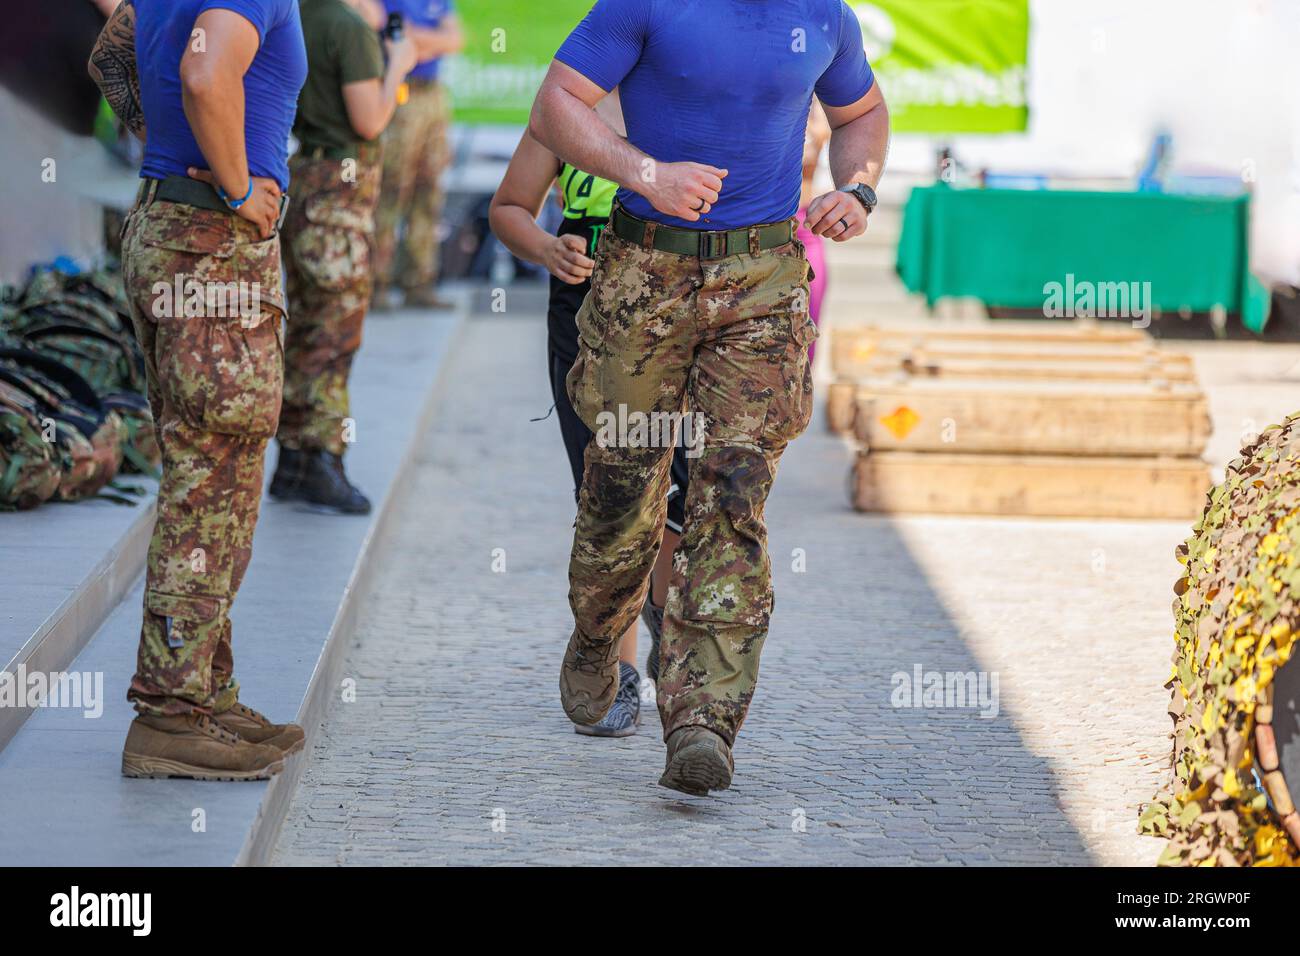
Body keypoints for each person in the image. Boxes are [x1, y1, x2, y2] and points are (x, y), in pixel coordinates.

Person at [530, 0, 888, 795]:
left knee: (731, 491)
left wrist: (856, 190)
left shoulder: (824, 14)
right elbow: (554, 104)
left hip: (762, 278)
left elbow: (860, 111)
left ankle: (702, 719)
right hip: (643, 274)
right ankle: (598, 631)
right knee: (624, 486)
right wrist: (645, 173)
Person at [89, 0, 308, 780]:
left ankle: (206, 692)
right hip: (211, 245)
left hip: (168, 229)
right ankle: (171, 714)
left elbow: (111, 62)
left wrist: (170, 148)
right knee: (209, 480)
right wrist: (238, 184)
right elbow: (203, 72)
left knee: (214, 474)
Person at [488, 92, 691, 737]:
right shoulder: (567, 110)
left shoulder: (697, 98)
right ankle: (618, 669)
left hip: (678, 313)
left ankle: (665, 617)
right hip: (579, 319)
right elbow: (508, 208)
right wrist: (547, 248)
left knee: (682, 497)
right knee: (610, 497)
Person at [268, 0, 417, 514]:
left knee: (309, 322)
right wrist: (399, 63)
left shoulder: (297, 15)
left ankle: (293, 460)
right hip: (339, 191)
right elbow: (370, 121)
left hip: (307, 178)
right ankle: (322, 459)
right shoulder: (347, 28)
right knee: (335, 331)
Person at [368, 0, 463, 310]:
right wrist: (430, 42)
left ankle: (419, 282)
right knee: (391, 189)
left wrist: (422, 42)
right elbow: (392, 39)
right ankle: (376, 284)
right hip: (400, 93)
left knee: (429, 190)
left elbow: (456, 39)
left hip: (433, 94)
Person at [797, 101, 832, 361]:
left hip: (805, 227)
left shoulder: (816, 102)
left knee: (808, 328)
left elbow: (817, 137)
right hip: (759, 228)